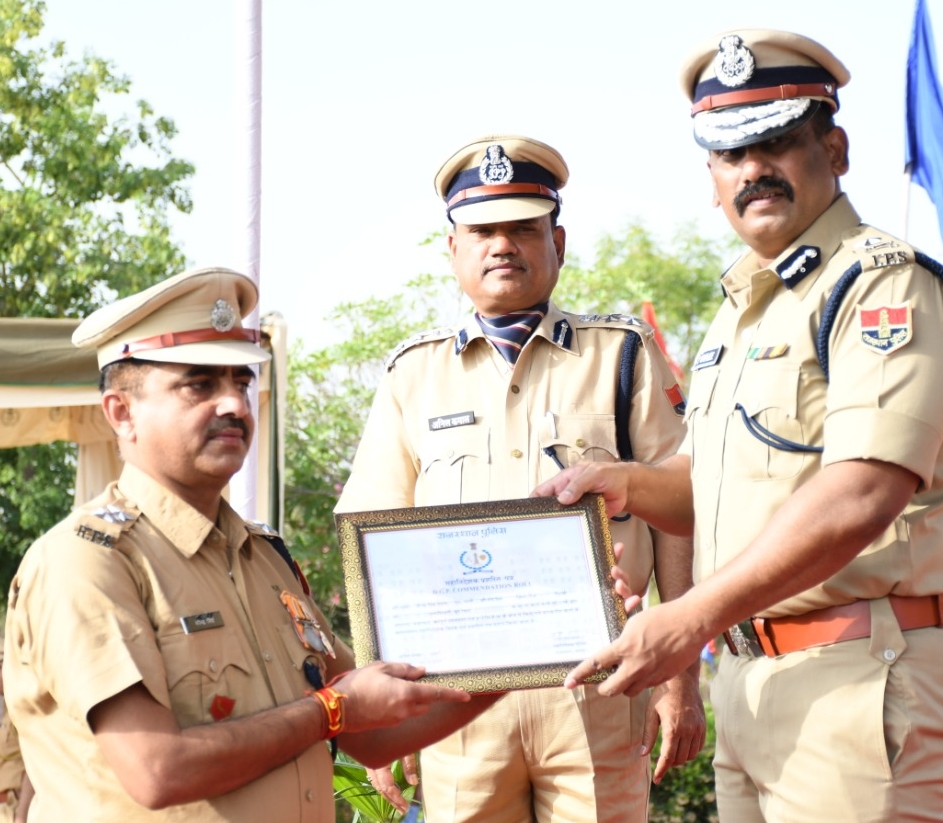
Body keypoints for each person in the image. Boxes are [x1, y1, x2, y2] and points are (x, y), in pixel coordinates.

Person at [534, 30, 943, 823]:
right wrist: (626, 486)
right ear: (710, 179)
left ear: (834, 149)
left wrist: (689, 615)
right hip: (753, 678)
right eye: (727, 154)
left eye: (775, 142)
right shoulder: (744, 310)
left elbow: (860, 494)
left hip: (857, 675)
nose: (751, 171)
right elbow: (713, 484)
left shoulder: (885, 288)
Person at [1, 266, 499, 822]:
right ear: (122, 413)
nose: (236, 405)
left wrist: (535, 654)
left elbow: (376, 733)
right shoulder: (88, 560)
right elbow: (157, 770)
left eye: (241, 381)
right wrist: (330, 711)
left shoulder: (264, 558)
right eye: (199, 384)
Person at [335, 134, 705, 822]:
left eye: (522, 228)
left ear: (556, 243)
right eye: (481, 230)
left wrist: (681, 672)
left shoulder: (622, 355)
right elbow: (371, 543)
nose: (501, 245)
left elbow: (674, 514)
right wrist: (378, 711)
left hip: (597, 693)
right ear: (453, 250)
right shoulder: (411, 375)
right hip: (453, 710)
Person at [0, 650, 32, 823]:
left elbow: (37, 761)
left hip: (15, 808)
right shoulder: (7, 710)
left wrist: (22, 815)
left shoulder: (25, 710)